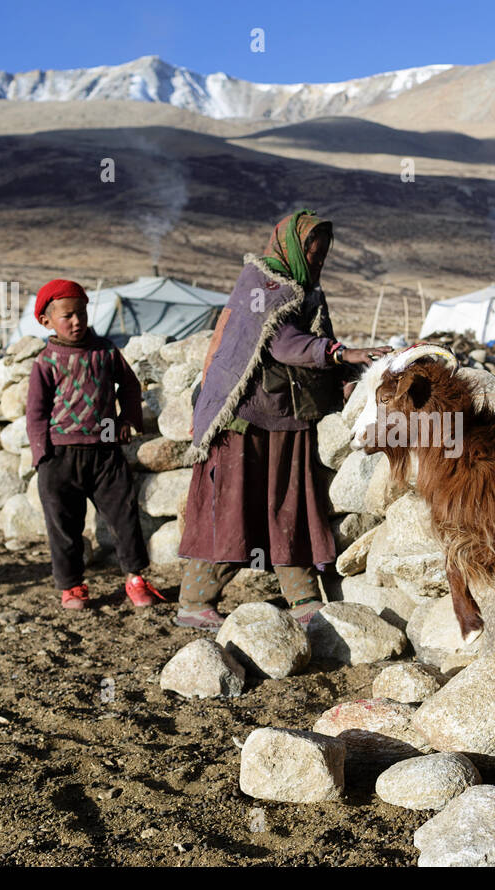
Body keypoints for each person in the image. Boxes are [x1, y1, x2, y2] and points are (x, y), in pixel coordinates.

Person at [175, 210, 389, 629]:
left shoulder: (307, 290)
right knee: (233, 508)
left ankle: (302, 595)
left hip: (289, 420)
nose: (318, 262)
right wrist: (340, 353)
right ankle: (195, 600)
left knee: (289, 507)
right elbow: (286, 345)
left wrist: (345, 377)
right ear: (292, 246)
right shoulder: (261, 285)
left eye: (324, 255)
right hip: (244, 422)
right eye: (313, 253)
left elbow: (310, 347)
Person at [26, 279, 163, 610]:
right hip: (59, 456)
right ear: (46, 321)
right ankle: (72, 586)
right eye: (67, 316)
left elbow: (129, 387)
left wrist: (127, 420)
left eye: (82, 314)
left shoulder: (105, 352)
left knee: (124, 517)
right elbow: (35, 411)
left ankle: (135, 579)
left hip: (105, 454)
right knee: (63, 526)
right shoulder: (46, 362)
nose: (76, 322)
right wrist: (41, 454)